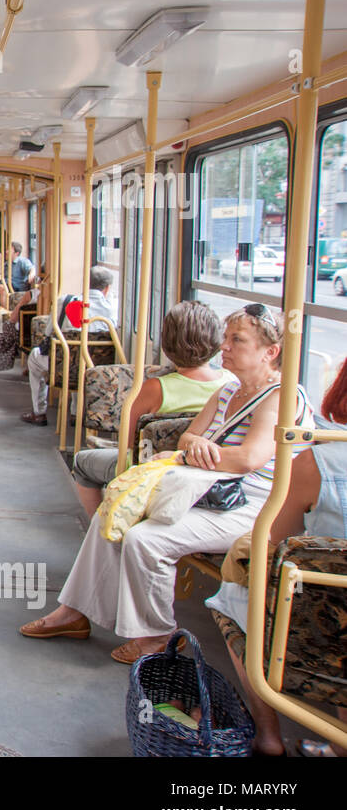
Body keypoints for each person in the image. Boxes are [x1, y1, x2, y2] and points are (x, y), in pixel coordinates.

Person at [19, 305, 312, 664]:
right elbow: (189, 437)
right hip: (211, 490)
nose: (225, 347)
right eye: (227, 337)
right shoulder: (228, 392)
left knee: (146, 539)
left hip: (254, 505)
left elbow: (250, 458)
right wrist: (197, 447)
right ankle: (74, 611)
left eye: (237, 340)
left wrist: (197, 454)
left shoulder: (281, 397)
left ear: (271, 352)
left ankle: (157, 636)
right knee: (115, 510)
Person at [213, 358, 347, 757]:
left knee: (233, 596)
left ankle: (269, 737)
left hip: (321, 630)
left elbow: (274, 539)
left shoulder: (316, 464)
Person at [68, 301, 232, 516]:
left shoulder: (154, 388)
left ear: (166, 343)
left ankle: (100, 527)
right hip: (207, 473)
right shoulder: (230, 384)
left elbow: (129, 442)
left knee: (81, 463)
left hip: (148, 469)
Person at [19, 266, 118, 426]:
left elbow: (50, 331)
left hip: (65, 369)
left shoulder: (65, 302)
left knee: (36, 359)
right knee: (83, 360)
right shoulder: (114, 310)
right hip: (101, 372)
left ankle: (39, 412)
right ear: (107, 289)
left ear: (85, 284)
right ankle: (75, 413)